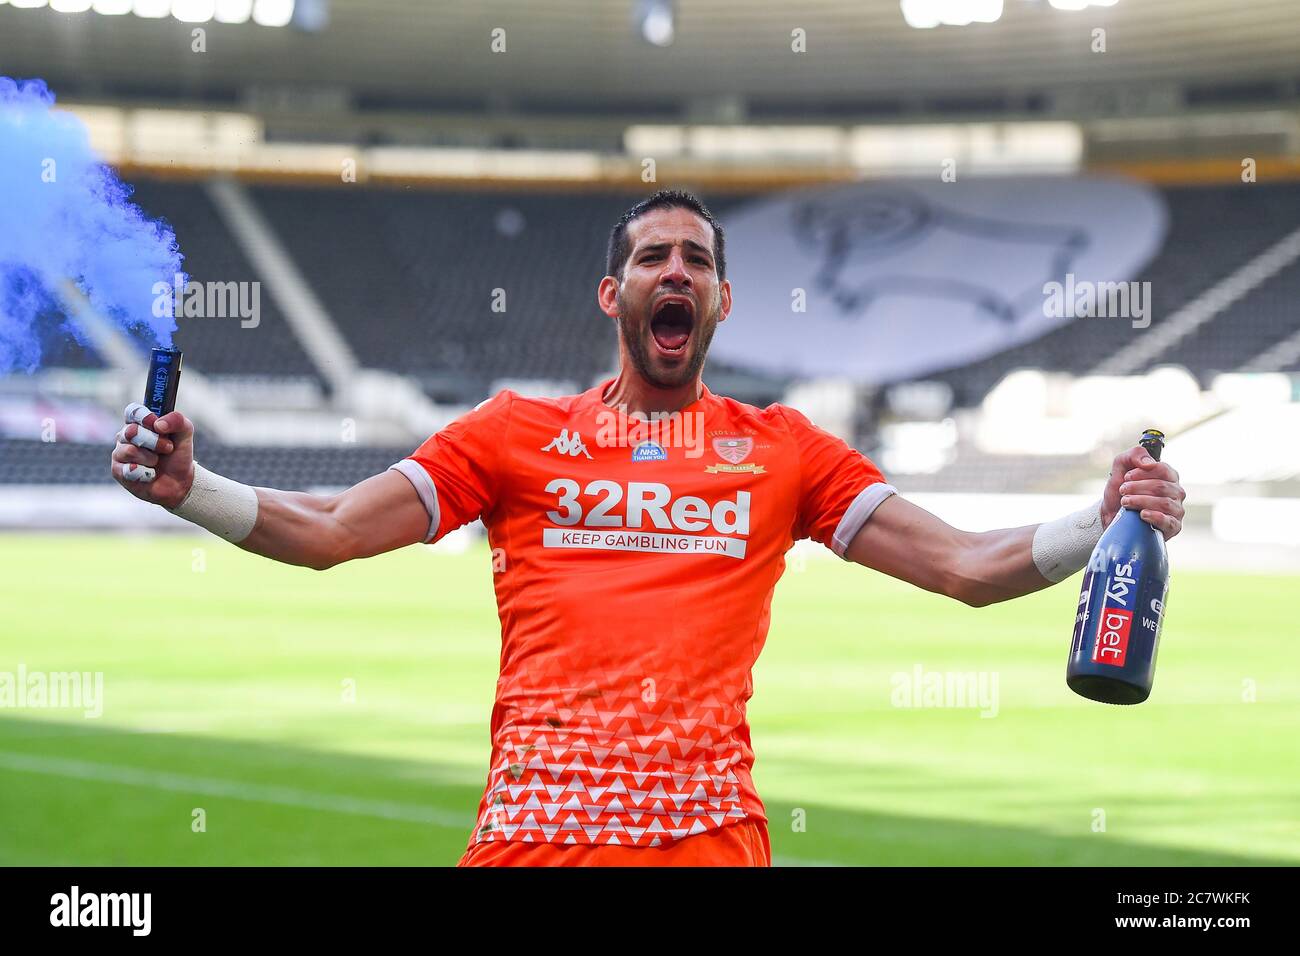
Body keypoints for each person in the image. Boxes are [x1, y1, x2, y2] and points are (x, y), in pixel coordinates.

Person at [110, 189, 1187, 866]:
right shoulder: (513, 433)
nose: (676, 271)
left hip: (706, 841)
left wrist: (1096, 520)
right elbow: (334, 527)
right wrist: (193, 488)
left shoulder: (785, 449)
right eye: (652, 257)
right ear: (611, 292)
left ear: (720, 302)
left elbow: (962, 565)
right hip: (532, 836)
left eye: (697, 261)